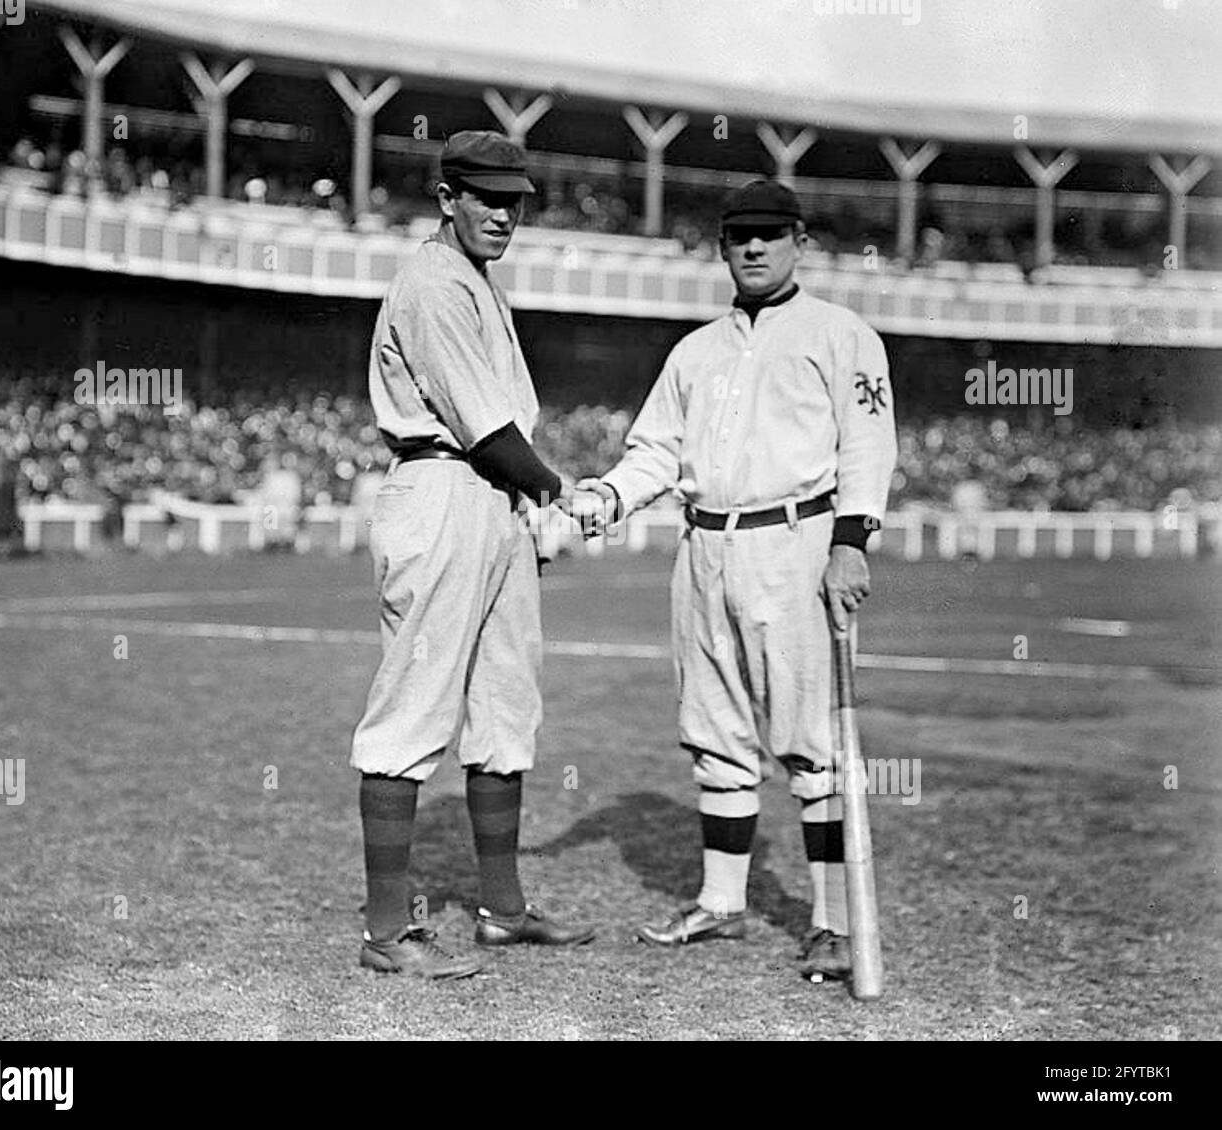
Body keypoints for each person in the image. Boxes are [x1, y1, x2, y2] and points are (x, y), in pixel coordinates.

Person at [578, 180, 898, 981]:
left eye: (769, 235)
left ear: (799, 241)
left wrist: (852, 541)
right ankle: (721, 903)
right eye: (738, 237)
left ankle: (829, 922)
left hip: (795, 542)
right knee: (713, 727)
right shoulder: (695, 351)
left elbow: (868, 444)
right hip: (703, 546)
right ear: (721, 248)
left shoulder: (841, 335)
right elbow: (654, 451)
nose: (753, 249)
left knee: (809, 738)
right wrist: (606, 500)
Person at [350, 131, 599, 980]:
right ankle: (388, 929)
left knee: (504, 706)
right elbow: (485, 430)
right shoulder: (431, 282)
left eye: (516, 199)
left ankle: (502, 908)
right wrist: (557, 491)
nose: (503, 212)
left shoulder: (477, 281)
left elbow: (503, 434)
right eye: (486, 196)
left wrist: (532, 498)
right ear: (447, 196)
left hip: (491, 500)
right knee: (412, 710)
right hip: (444, 489)